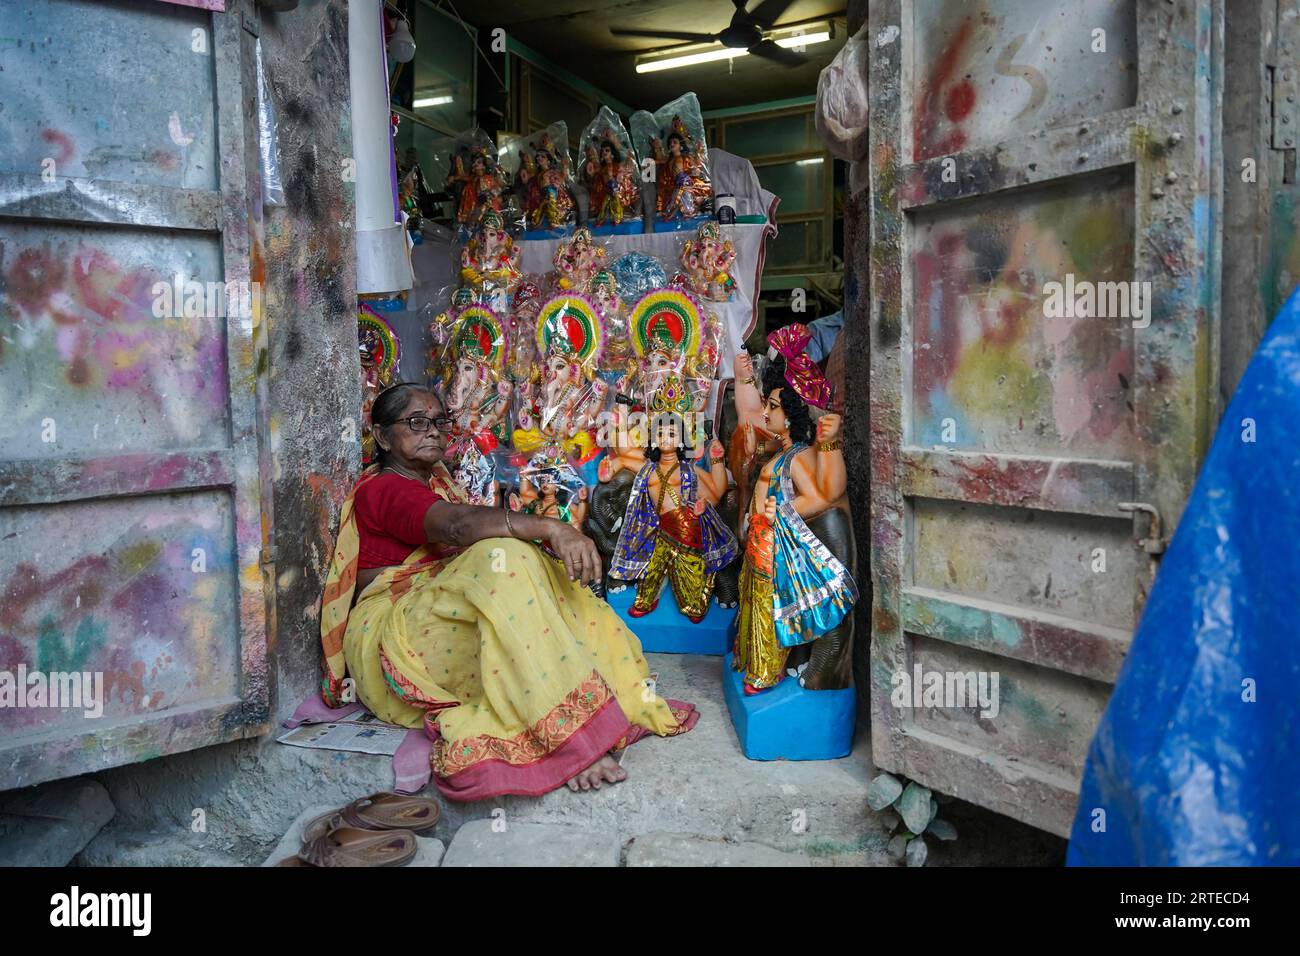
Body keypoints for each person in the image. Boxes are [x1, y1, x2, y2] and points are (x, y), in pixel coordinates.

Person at [319, 383, 697, 799]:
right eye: (415, 422)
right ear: (382, 436)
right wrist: (553, 527)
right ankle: (569, 740)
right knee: (503, 557)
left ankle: (575, 707)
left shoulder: (436, 480)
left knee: (525, 563)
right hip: (393, 636)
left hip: (429, 618)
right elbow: (458, 526)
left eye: (439, 421)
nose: (431, 431)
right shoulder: (383, 488)